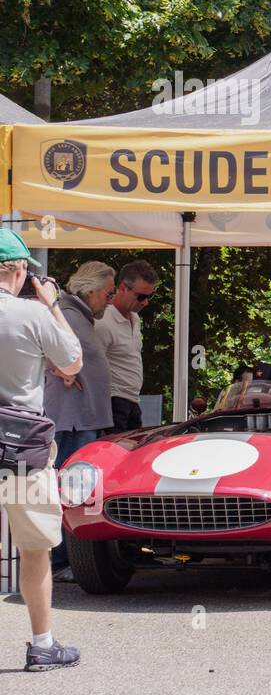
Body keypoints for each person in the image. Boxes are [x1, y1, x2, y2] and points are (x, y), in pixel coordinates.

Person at [0, 229, 84, 670]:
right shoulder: (31, 315)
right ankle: (42, 645)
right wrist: (51, 302)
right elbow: (72, 360)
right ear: (17, 271)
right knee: (35, 548)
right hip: (22, 450)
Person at [43, 261, 116, 581]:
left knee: (77, 492)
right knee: (73, 493)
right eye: (107, 293)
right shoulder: (67, 314)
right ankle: (62, 561)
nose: (110, 300)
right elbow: (44, 347)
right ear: (90, 291)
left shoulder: (78, 316)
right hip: (72, 421)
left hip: (82, 418)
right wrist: (59, 369)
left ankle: (68, 560)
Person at [94, 259, 158, 433]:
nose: (145, 302)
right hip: (112, 401)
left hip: (132, 400)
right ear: (122, 288)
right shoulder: (103, 321)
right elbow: (91, 365)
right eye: (141, 296)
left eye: (150, 296)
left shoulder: (135, 318)